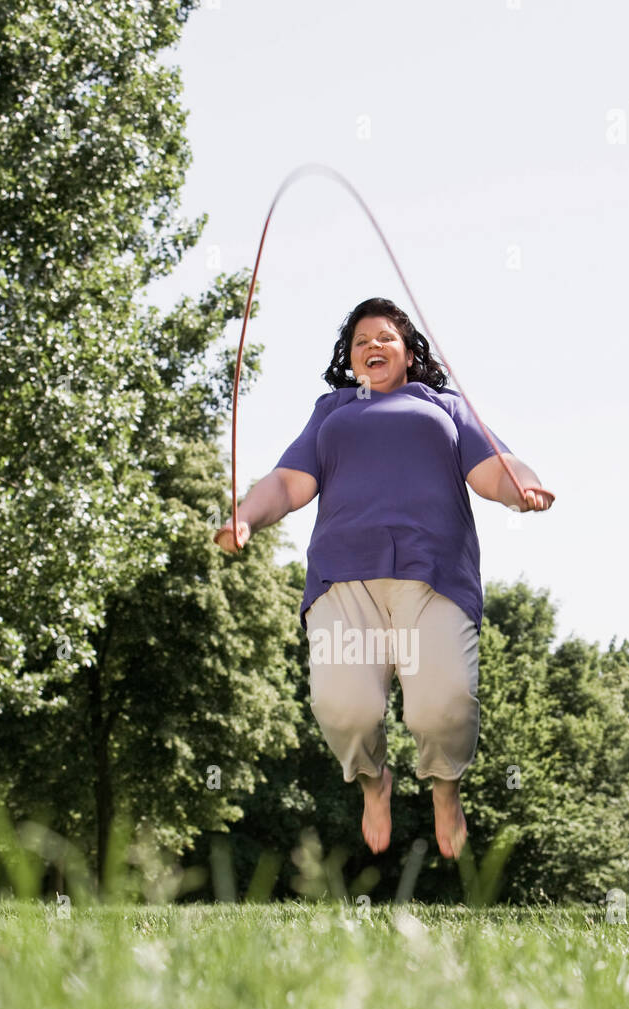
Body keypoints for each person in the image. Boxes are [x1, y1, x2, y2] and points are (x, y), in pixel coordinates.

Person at [215, 296, 554, 859]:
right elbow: (286, 483)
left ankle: (446, 788)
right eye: (360, 342)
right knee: (344, 707)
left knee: (441, 704)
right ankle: (375, 784)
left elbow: (495, 466)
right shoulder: (332, 411)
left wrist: (523, 486)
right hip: (344, 576)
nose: (372, 346)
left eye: (385, 338)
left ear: (408, 350)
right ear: (349, 360)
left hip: (434, 574)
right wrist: (244, 517)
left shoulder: (443, 405)